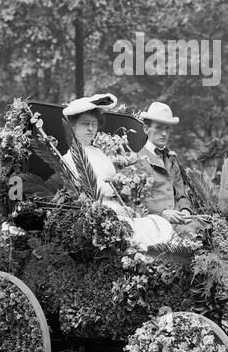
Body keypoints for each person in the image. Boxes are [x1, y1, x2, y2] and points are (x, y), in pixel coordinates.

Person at [63, 94, 173, 247]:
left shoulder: (98, 152)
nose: (90, 128)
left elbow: (114, 182)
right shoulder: (71, 157)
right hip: (98, 212)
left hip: (118, 207)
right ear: (73, 126)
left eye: (94, 124)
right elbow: (90, 192)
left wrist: (125, 195)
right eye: (85, 124)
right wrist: (117, 196)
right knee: (138, 233)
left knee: (160, 224)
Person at [138, 101, 193, 220]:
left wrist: (185, 210)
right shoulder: (136, 161)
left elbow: (181, 195)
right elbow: (134, 201)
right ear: (146, 129)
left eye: (167, 129)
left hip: (178, 222)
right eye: (158, 128)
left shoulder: (172, 160)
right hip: (152, 224)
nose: (164, 134)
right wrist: (161, 213)